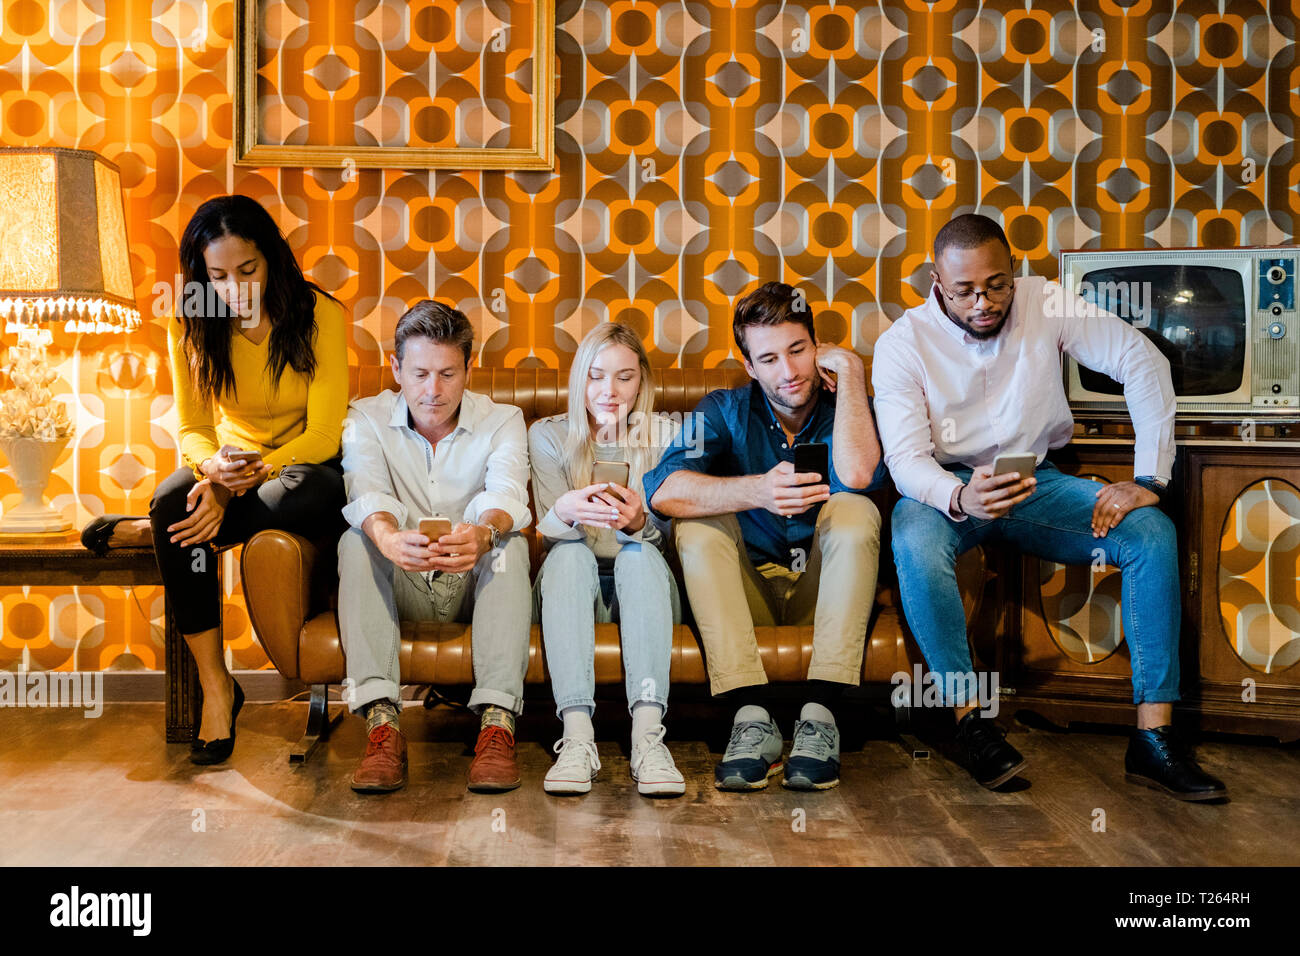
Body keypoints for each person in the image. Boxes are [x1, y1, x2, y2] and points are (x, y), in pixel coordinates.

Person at [871, 212, 1227, 800]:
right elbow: (906, 461)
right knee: (912, 537)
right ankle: (971, 726)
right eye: (964, 291)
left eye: (997, 285)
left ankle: (1153, 741)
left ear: (1014, 270)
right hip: (945, 488)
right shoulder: (901, 344)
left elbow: (1143, 362)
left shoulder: (1046, 300)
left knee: (1151, 533)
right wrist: (959, 495)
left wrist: (1150, 479)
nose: (983, 302)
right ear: (936, 281)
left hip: (1035, 481)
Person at [81, 194, 349, 765]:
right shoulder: (188, 321)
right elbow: (194, 428)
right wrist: (212, 472)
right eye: (218, 275)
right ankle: (217, 687)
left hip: (302, 472)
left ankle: (149, 530)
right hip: (229, 471)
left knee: (312, 487)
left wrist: (238, 485)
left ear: (272, 258)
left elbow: (325, 435)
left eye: (247, 270)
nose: (235, 288)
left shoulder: (321, 314)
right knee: (173, 497)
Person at [642, 282, 885, 792]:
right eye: (770, 358)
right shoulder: (724, 409)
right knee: (696, 524)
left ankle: (820, 716)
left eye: (798, 350)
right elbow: (662, 489)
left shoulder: (852, 404)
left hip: (821, 592)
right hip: (746, 591)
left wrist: (856, 377)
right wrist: (756, 490)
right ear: (751, 367)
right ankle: (751, 719)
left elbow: (860, 475)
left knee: (854, 508)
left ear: (817, 348)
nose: (789, 371)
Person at [339, 299, 532, 795]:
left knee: (509, 545)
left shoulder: (503, 419)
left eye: (448, 374)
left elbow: (507, 494)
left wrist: (484, 533)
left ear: (469, 368)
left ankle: (497, 724)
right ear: (396, 367)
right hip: (402, 577)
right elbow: (367, 492)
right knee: (356, 541)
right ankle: (383, 726)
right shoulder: (365, 416)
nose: (433, 390)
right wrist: (387, 537)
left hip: (472, 579)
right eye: (421, 372)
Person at [529, 322, 685, 797]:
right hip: (572, 589)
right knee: (570, 555)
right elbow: (545, 535)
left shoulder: (669, 435)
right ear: (581, 379)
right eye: (596, 376)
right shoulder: (549, 436)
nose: (609, 391)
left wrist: (640, 525)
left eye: (624, 377)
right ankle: (577, 740)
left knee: (637, 556)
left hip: (645, 589)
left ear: (642, 381)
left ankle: (648, 738)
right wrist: (563, 511)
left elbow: (679, 541)